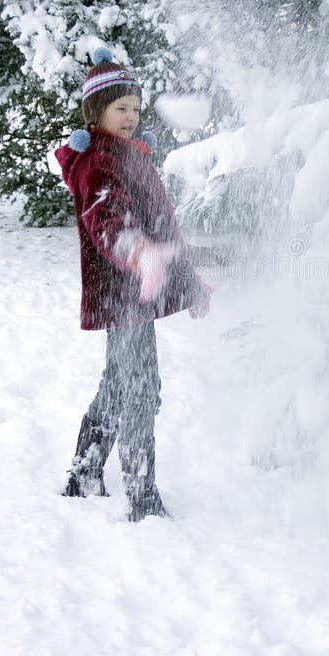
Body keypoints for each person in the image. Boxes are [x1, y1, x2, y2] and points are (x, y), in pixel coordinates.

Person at [55, 47, 212, 522]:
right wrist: (137, 252)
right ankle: (141, 498)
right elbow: (107, 218)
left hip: (132, 297)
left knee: (122, 385)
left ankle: (84, 473)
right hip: (122, 294)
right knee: (141, 388)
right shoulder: (98, 162)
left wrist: (191, 283)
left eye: (136, 109)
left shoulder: (130, 156)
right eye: (120, 108)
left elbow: (163, 229)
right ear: (96, 112)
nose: (130, 117)